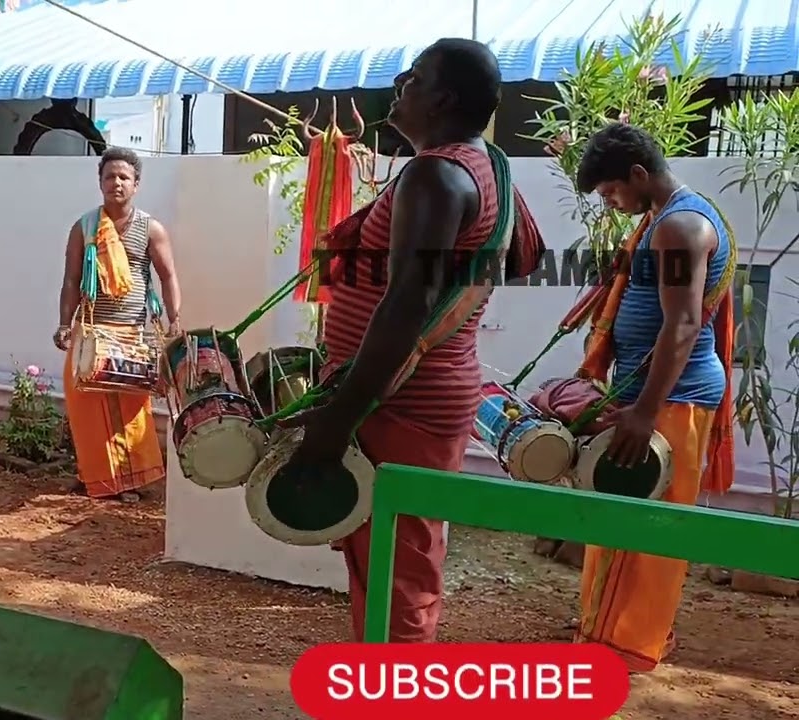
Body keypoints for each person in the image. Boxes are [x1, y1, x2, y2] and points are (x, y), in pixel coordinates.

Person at [280, 39, 546, 642]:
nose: (401, 82)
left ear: (444, 98)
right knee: (391, 570)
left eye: (416, 76)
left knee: (398, 581)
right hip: (420, 395)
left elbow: (407, 303)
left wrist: (336, 421)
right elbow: (523, 255)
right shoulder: (488, 166)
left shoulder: (437, 176)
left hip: (399, 404)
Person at [571, 122, 735, 672]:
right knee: (621, 523)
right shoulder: (663, 220)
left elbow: (684, 325)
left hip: (671, 402)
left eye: (613, 192)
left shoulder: (679, 226)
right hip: (651, 397)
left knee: (648, 533)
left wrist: (644, 411)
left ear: (638, 174)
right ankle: (610, 636)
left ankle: (628, 649)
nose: (614, 204)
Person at [54, 147, 181, 502]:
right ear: (100, 183)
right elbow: (71, 279)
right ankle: (95, 477)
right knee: (85, 408)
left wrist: (175, 320)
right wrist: (65, 324)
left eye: (124, 177)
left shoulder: (151, 228)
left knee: (130, 411)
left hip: (131, 332)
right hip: (91, 330)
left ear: (136, 184)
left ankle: (130, 481)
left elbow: (168, 276)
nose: (116, 183)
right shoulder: (84, 227)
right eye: (110, 177)